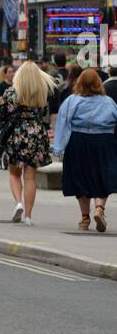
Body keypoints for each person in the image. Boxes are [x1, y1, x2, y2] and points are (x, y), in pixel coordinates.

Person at [52, 67, 117, 232]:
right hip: (103, 141)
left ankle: (84, 218)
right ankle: (99, 208)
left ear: (79, 82)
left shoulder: (72, 100)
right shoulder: (108, 101)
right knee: (103, 175)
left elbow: (63, 123)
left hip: (78, 141)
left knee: (80, 177)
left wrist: (58, 148)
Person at [0, 60, 54, 226]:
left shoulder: (11, 93)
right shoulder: (42, 92)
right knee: (30, 178)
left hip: (17, 134)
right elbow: (44, 114)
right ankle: (28, 216)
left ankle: (18, 203)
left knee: (14, 173)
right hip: (36, 134)